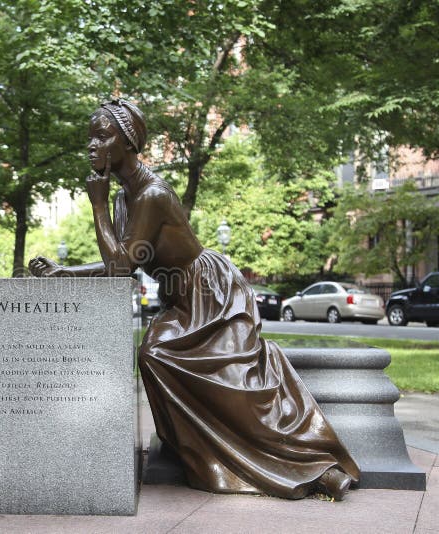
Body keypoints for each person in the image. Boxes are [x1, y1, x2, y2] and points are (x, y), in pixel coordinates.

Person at [29, 98, 359, 500]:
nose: (92, 145)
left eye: (102, 136)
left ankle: (307, 466)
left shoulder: (152, 195)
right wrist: (67, 272)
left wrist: (96, 205)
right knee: (155, 355)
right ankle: (196, 448)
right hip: (181, 300)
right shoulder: (123, 199)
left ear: (128, 141)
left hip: (210, 295)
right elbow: (124, 260)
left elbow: (120, 267)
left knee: (202, 370)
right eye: (90, 138)